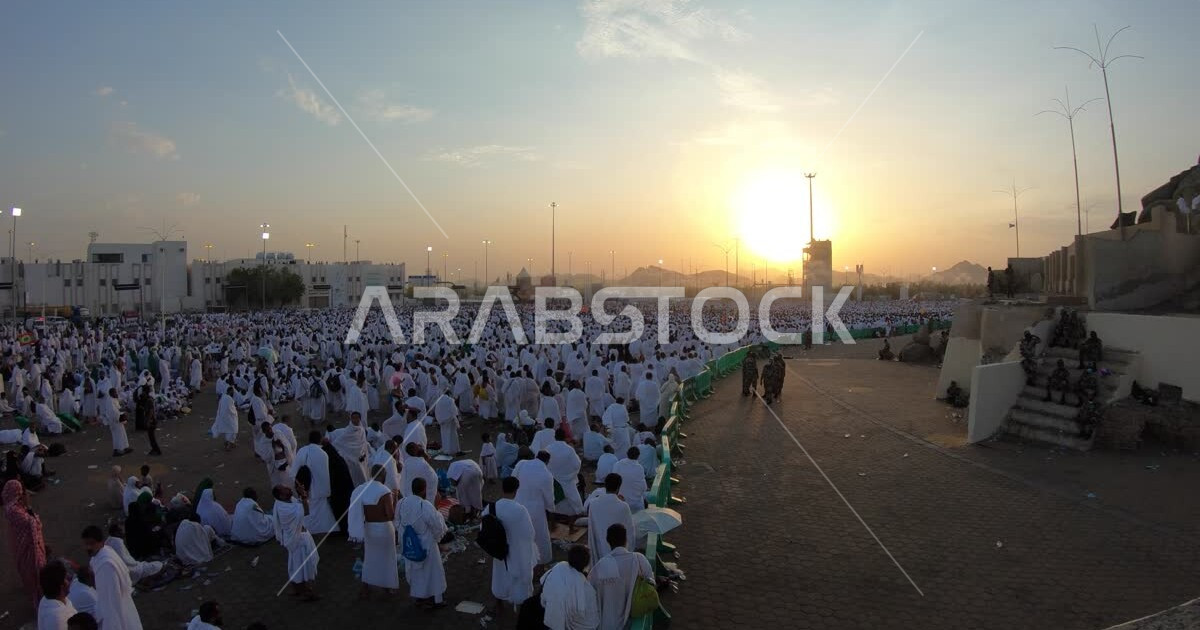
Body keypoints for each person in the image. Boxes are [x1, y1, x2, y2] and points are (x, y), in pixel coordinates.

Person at [589, 524, 653, 630]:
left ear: (608, 541)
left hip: (606, 624)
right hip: (634, 621)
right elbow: (651, 584)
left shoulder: (599, 566)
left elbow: (590, 593)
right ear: (626, 539)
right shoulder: (639, 560)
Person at [396, 477, 448, 609]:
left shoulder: (401, 503)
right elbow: (437, 525)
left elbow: (397, 522)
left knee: (416, 573)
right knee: (432, 574)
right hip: (427, 546)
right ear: (424, 489)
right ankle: (435, 600)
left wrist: (406, 537)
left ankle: (419, 598)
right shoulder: (424, 505)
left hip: (410, 546)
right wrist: (437, 539)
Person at [348, 465, 398, 599]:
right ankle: (387, 586)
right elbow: (390, 515)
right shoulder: (384, 491)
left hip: (369, 528)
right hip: (384, 529)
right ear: (383, 476)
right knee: (387, 558)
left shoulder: (362, 489)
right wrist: (396, 499)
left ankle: (365, 588)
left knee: (369, 559)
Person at [82, 525, 142, 630]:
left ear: (101, 542)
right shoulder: (102, 553)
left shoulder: (106, 566)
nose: (88, 547)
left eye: (92, 544)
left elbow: (111, 602)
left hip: (118, 611)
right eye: (86, 544)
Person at [271, 484, 319, 601]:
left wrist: (301, 496)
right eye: (284, 490)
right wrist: (303, 496)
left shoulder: (288, 501)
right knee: (304, 566)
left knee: (295, 565)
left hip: (297, 538)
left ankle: (296, 589)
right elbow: (305, 511)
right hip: (298, 540)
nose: (288, 489)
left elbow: (298, 505)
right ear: (281, 497)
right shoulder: (284, 509)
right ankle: (308, 592)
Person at [3, 479, 46, 607]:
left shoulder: (12, 506)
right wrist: (29, 506)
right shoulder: (14, 510)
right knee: (33, 568)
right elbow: (34, 523)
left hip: (22, 544)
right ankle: (38, 596)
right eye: (20, 491)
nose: (22, 494)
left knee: (27, 569)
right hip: (28, 546)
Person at [540, 545, 600, 630]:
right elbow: (592, 621)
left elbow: (544, 598)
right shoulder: (588, 590)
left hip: (553, 624)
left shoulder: (557, 572)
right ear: (586, 564)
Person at [290, 431, 338, 535]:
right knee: (321, 512)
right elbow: (324, 474)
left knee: (307, 511)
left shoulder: (302, 451)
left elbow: (293, 472)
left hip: (305, 489)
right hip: (320, 490)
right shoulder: (323, 454)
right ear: (320, 440)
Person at [514, 450, 555, 565]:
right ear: (547, 461)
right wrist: (551, 510)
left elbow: (513, 479)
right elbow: (549, 497)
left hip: (518, 502)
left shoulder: (522, 464)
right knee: (538, 536)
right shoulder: (547, 475)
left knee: (520, 533)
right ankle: (540, 560)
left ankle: (520, 557)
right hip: (535, 509)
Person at [584, 474, 634, 565]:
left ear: (605, 485)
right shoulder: (623, 506)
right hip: (618, 553)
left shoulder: (594, 504)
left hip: (599, 550)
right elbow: (630, 532)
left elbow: (591, 530)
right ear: (619, 487)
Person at [546, 429, 584, 516]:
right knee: (575, 501)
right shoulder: (569, 449)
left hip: (553, 479)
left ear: (555, 437)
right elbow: (577, 464)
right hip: (567, 479)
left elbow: (544, 464)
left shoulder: (548, 448)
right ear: (565, 438)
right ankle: (577, 513)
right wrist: (571, 474)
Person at [38, 561, 77, 630]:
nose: (69, 582)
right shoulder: (59, 619)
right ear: (62, 586)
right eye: (66, 578)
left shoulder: (45, 599)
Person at [612, 448, 647, 513]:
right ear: (638, 456)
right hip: (635, 505)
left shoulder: (618, 464)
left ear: (627, 454)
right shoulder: (639, 468)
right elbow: (644, 488)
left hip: (619, 501)